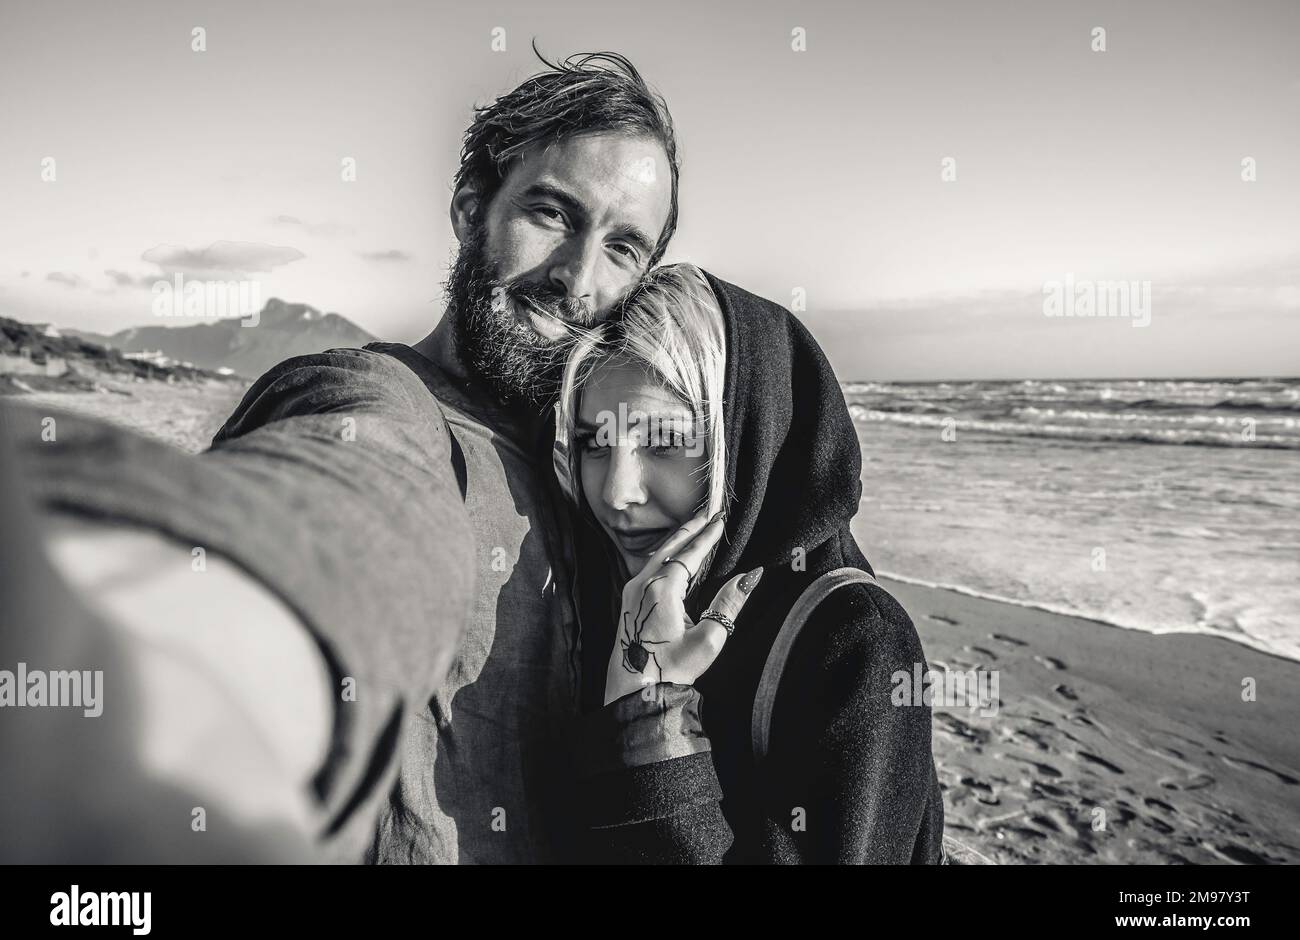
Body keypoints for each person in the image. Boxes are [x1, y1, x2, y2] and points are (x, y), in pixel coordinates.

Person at [1, 49, 679, 864]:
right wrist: (151, 679)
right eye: (552, 213)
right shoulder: (379, 402)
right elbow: (347, 508)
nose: (578, 278)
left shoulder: (596, 475)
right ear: (471, 208)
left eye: (623, 247)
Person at [553, 264, 946, 863]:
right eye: (594, 443)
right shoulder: (598, 593)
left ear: (753, 442)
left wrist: (651, 724)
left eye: (665, 442)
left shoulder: (855, 642)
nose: (616, 492)